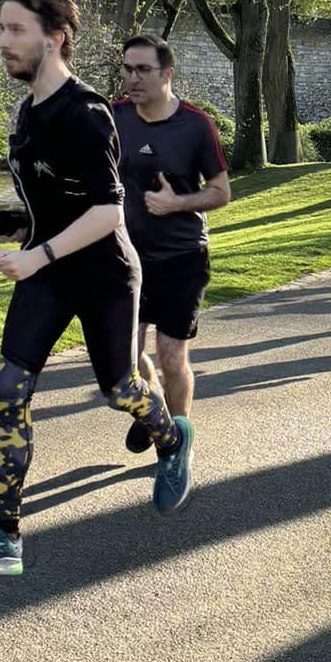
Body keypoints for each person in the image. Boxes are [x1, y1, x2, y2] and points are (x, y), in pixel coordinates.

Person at [0, 0, 192, 579]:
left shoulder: (87, 112)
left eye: (15, 30)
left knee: (119, 388)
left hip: (103, 275)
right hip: (46, 273)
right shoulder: (27, 113)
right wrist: (28, 229)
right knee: (9, 391)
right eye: (2, 29)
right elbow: (54, 195)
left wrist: (39, 253)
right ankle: (4, 534)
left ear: (52, 39)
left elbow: (110, 211)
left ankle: (171, 436)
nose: (3, 41)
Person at [113, 33, 231, 453]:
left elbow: (221, 192)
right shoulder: (114, 118)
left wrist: (176, 202)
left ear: (167, 74)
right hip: (125, 257)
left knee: (169, 355)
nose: (133, 77)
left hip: (182, 257)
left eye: (143, 69)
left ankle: (176, 446)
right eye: (127, 68)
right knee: (123, 360)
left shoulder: (196, 124)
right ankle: (155, 408)